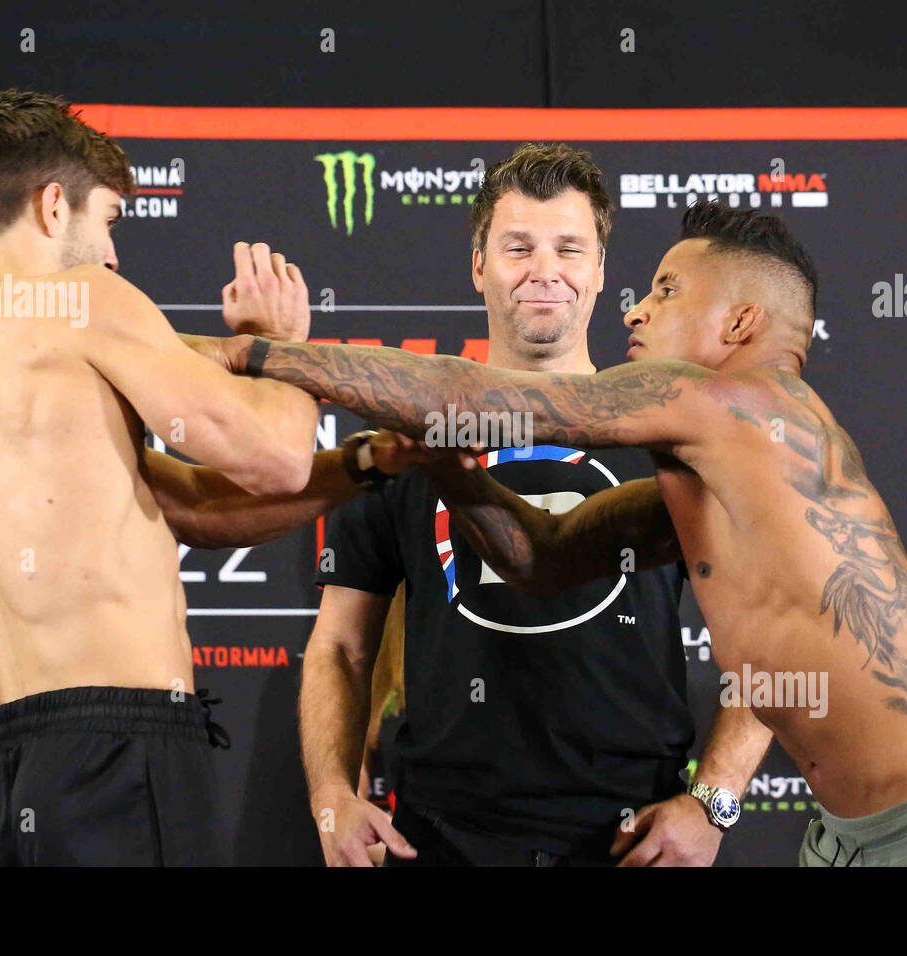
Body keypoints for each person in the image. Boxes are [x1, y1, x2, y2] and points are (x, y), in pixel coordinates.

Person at [229, 198, 907, 867]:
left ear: (739, 325)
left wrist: (262, 356)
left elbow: (492, 399)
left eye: (669, 290)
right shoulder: (709, 467)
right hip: (855, 831)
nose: (638, 308)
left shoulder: (741, 402)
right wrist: (449, 469)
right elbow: (542, 558)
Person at [0, 88, 416, 865]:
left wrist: (365, 464)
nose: (113, 255)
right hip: (122, 753)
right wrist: (277, 349)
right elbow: (273, 457)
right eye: (107, 220)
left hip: (24, 771)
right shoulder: (78, 301)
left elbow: (199, 510)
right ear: (52, 207)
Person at [293, 145, 773, 868]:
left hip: (632, 837)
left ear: (602, 272)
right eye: (517, 247)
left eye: (568, 249)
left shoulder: (677, 441)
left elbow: (767, 639)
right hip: (439, 837)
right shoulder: (407, 441)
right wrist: (333, 793)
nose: (543, 271)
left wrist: (715, 801)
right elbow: (339, 646)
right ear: (479, 265)